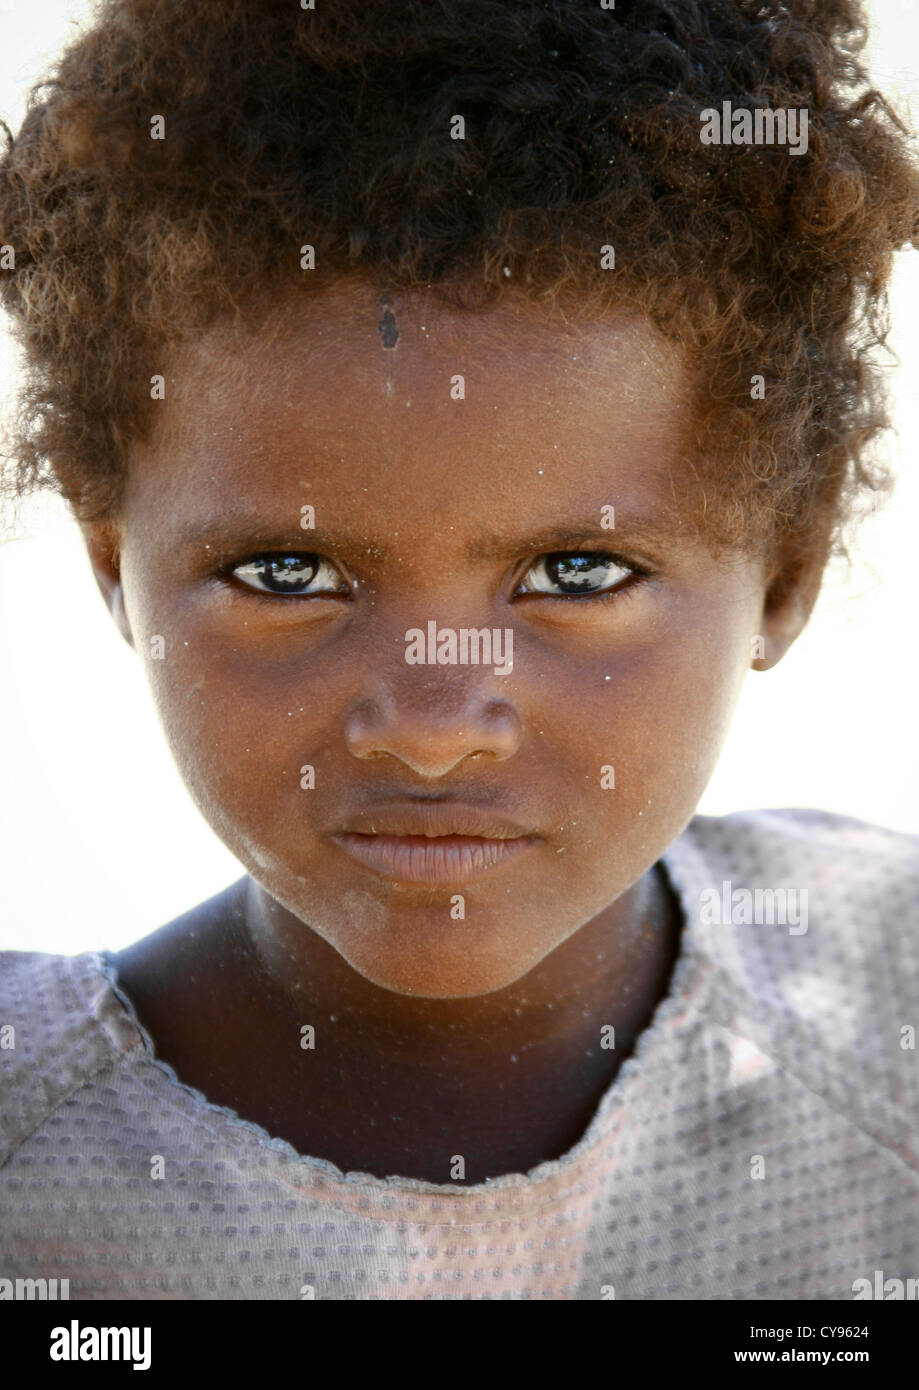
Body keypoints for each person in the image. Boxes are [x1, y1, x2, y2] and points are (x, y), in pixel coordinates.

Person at [1, 0, 917, 1301]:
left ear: (786, 569)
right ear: (115, 568)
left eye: (577, 572)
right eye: (289, 571)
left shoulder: (894, 1018)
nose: (433, 721)